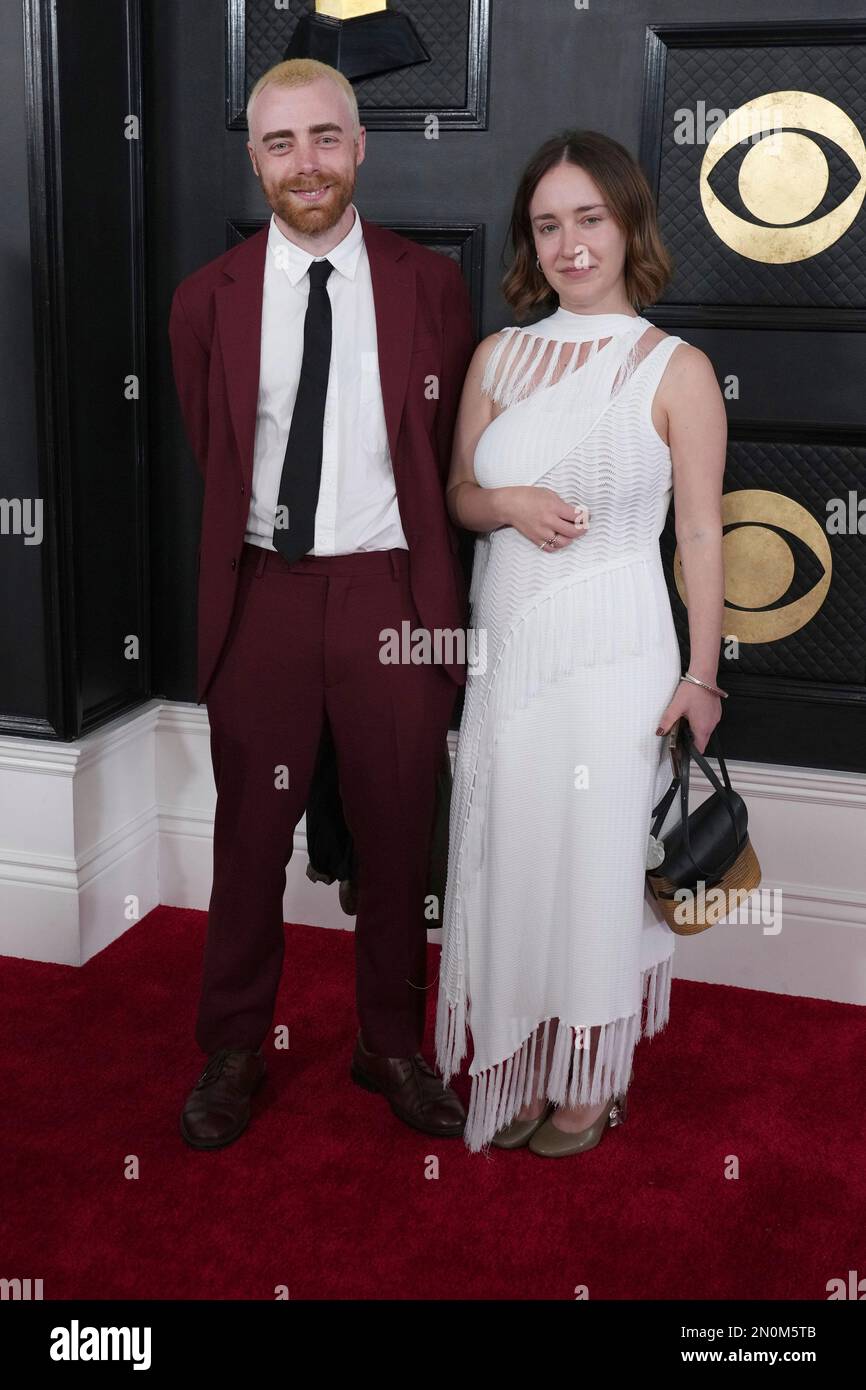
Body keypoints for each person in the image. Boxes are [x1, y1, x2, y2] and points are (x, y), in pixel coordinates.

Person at [168, 58, 476, 1149]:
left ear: (360, 148)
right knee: (249, 837)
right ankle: (235, 1047)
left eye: (324, 138)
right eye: (281, 143)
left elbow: (444, 453)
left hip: (393, 588)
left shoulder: (428, 285)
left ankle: (389, 1041)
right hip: (264, 592)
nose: (306, 163)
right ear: (253, 159)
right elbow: (217, 449)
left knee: (399, 830)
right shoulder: (204, 300)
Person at [435, 130, 727, 1156]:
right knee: (513, 853)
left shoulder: (674, 367)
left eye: (587, 219)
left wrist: (702, 674)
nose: (568, 244)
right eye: (547, 224)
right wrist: (505, 500)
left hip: (618, 658)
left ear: (626, 224)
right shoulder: (497, 355)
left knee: (597, 863)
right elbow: (458, 498)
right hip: (510, 653)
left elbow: (696, 532)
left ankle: (591, 1076)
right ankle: (513, 1056)